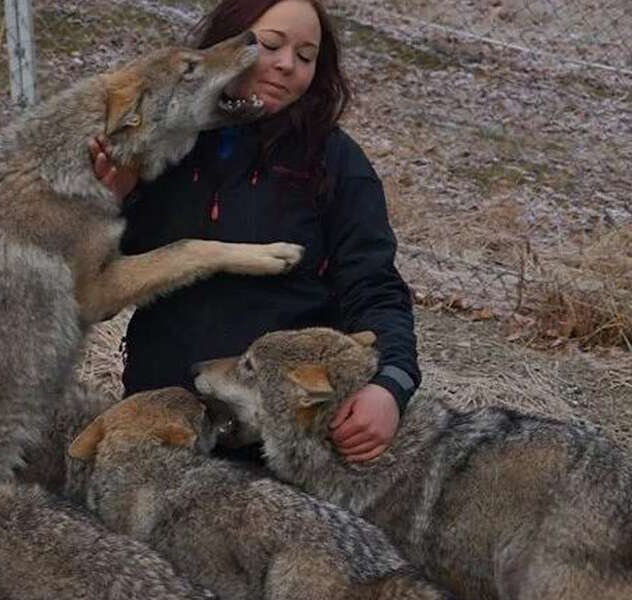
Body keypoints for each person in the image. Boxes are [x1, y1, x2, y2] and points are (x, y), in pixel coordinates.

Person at [91, 0, 419, 463]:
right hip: (158, 418)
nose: (287, 65)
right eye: (270, 45)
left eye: (306, 57)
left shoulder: (337, 166)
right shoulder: (162, 143)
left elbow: (376, 291)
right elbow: (94, 287)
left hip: (269, 449)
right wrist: (110, 202)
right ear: (228, 43)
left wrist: (391, 386)